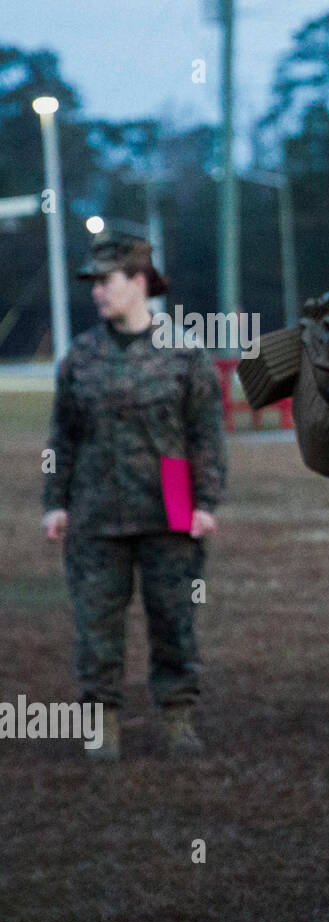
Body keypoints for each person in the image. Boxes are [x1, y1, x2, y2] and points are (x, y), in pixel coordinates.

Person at [42, 232, 225, 761]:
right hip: (95, 510)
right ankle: (101, 719)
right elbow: (62, 438)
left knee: (174, 618)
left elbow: (205, 436)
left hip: (169, 502)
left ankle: (178, 715)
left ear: (139, 282)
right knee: (96, 624)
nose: (98, 292)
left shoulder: (185, 352)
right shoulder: (80, 357)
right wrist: (55, 502)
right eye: (93, 283)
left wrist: (205, 503)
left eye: (107, 280)